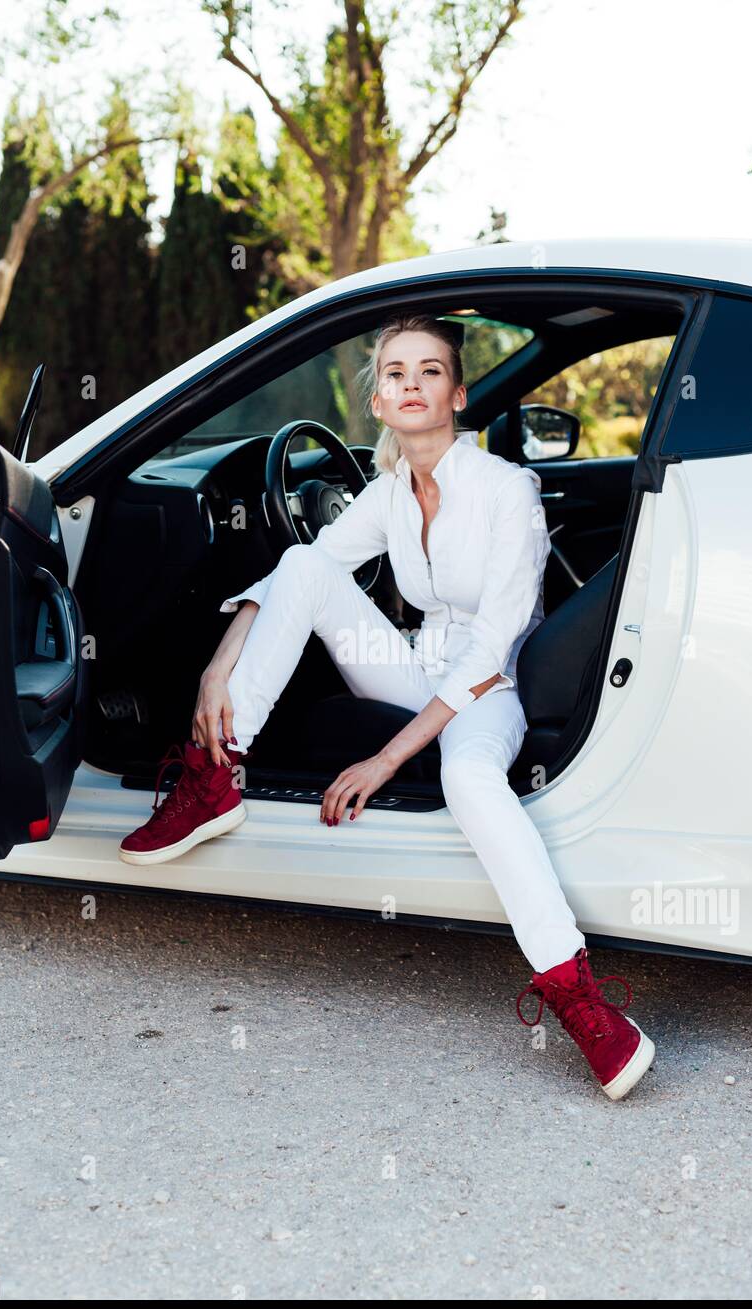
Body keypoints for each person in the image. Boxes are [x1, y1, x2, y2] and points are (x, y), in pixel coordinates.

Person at [119, 313, 655, 1100]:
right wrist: (217, 667)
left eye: (429, 370)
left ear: (458, 393)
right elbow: (299, 577)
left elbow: (492, 644)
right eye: (396, 372)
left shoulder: (509, 490)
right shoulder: (388, 494)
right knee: (302, 562)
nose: (411, 383)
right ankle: (214, 774)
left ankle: (579, 998)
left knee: (470, 781)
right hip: (412, 668)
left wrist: (388, 756)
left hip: (489, 689)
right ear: (377, 402)